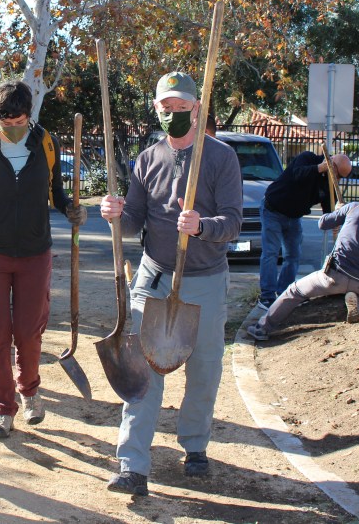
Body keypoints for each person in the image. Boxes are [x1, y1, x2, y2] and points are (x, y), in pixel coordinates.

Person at [98, 71, 243, 496]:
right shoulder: (148, 158)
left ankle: (195, 445)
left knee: (204, 367)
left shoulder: (220, 158)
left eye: (182, 106)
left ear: (197, 108)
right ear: (157, 108)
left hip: (204, 280)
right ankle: (132, 465)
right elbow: (133, 222)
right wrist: (114, 215)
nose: (174, 113)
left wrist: (202, 226)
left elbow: (233, 223)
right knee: (142, 369)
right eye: (167, 106)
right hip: (154, 276)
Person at [0, 80, 85, 440]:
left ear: (29, 116)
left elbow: (56, 192)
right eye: (6, 122)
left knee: (29, 333)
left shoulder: (46, 143)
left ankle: (29, 391)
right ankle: (2, 409)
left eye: (19, 122)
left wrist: (71, 209)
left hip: (34, 251)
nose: (13, 128)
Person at [247, 191, 359, 341]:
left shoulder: (355, 207)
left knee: (294, 291)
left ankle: (262, 328)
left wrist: (339, 212)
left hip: (333, 276)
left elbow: (323, 223)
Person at [258, 150, 352, 309]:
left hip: (294, 217)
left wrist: (335, 221)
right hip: (273, 210)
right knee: (271, 253)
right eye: (338, 175)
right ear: (332, 165)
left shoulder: (328, 184)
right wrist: (319, 168)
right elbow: (297, 174)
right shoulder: (307, 158)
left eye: (341, 177)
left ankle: (284, 292)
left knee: (293, 256)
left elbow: (329, 210)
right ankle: (266, 297)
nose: (338, 179)